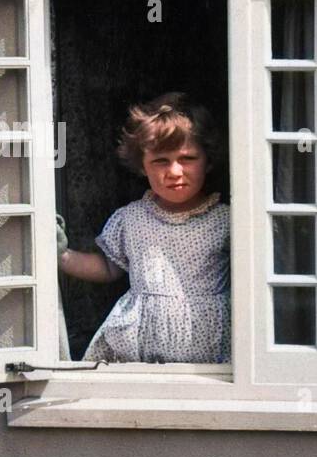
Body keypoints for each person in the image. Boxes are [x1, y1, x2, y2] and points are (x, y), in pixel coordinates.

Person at [57, 93, 230, 364]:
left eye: (187, 158)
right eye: (160, 161)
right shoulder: (132, 217)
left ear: (207, 161)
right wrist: (62, 255)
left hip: (216, 360)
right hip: (141, 359)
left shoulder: (225, 220)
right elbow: (108, 267)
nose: (174, 171)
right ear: (142, 166)